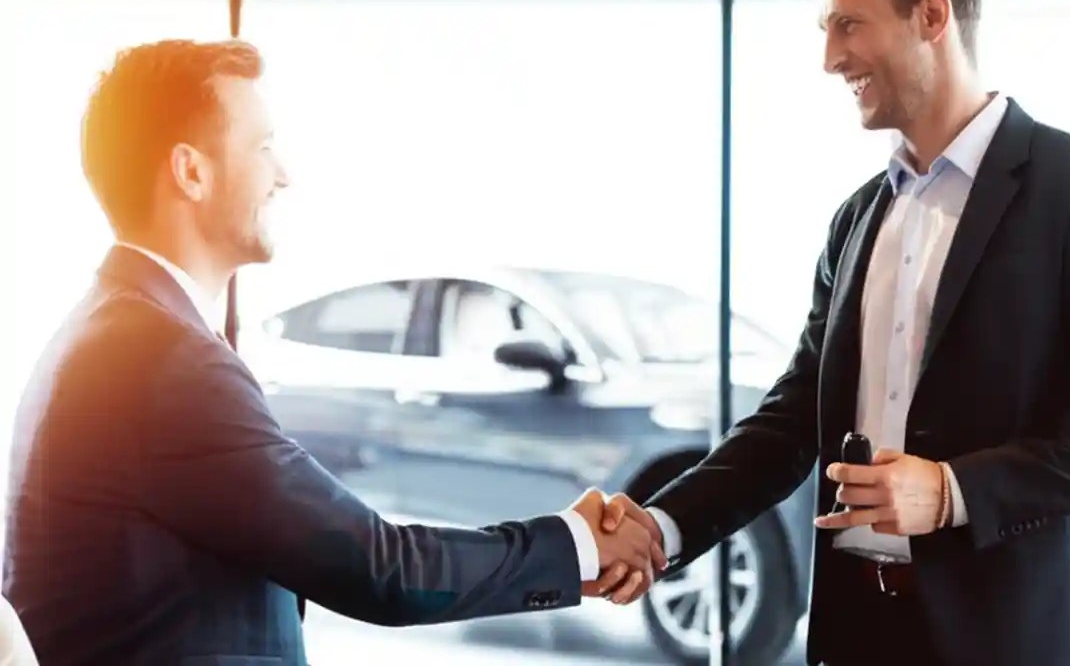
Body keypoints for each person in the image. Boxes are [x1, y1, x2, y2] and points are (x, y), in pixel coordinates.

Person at [593, 0, 1070, 664]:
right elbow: (791, 423)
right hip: (856, 635)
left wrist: (951, 491)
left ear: (932, 15)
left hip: (1013, 639)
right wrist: (663, 527)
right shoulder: (857, 220)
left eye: (849, 25)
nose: (829, 59)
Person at [1, 38, 662, 665]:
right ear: (191, 171)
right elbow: (381, 569)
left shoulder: (116, 331)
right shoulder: (160, 359)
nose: (282, 176)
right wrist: (575, 545)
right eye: (262, 147)